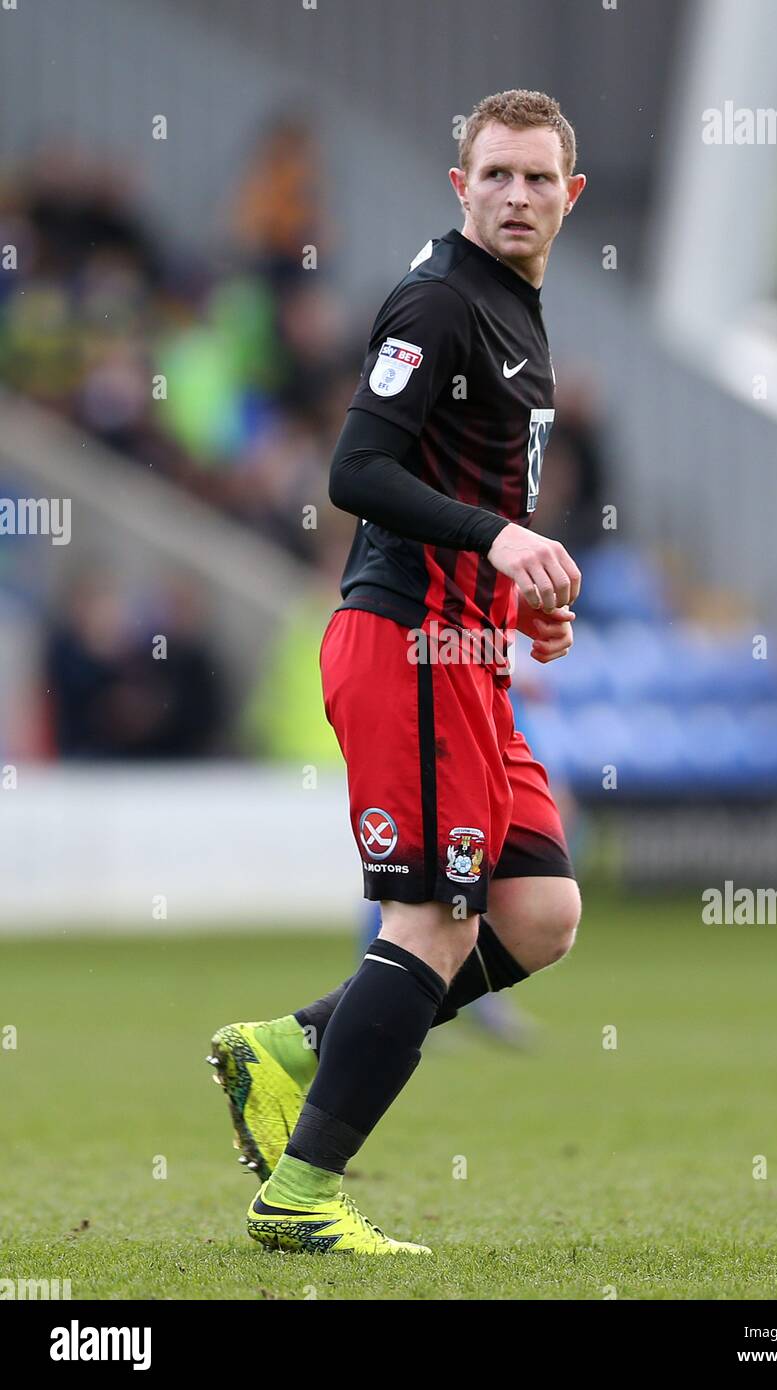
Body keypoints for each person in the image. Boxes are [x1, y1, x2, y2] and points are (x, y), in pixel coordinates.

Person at [209, 89, 587, 1255]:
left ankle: (292, 1047)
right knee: (429, 920)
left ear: (570, 195)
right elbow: (356, 471)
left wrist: (515, 596)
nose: (515, 196)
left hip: (467, 651)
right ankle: (301, 1194)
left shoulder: (515, 312)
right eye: (495, 176)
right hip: (404, 645)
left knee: (536, 913)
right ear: (459, 186)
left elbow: (458, 488)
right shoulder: (436, 299)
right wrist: (497, 542)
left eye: (536, 178)